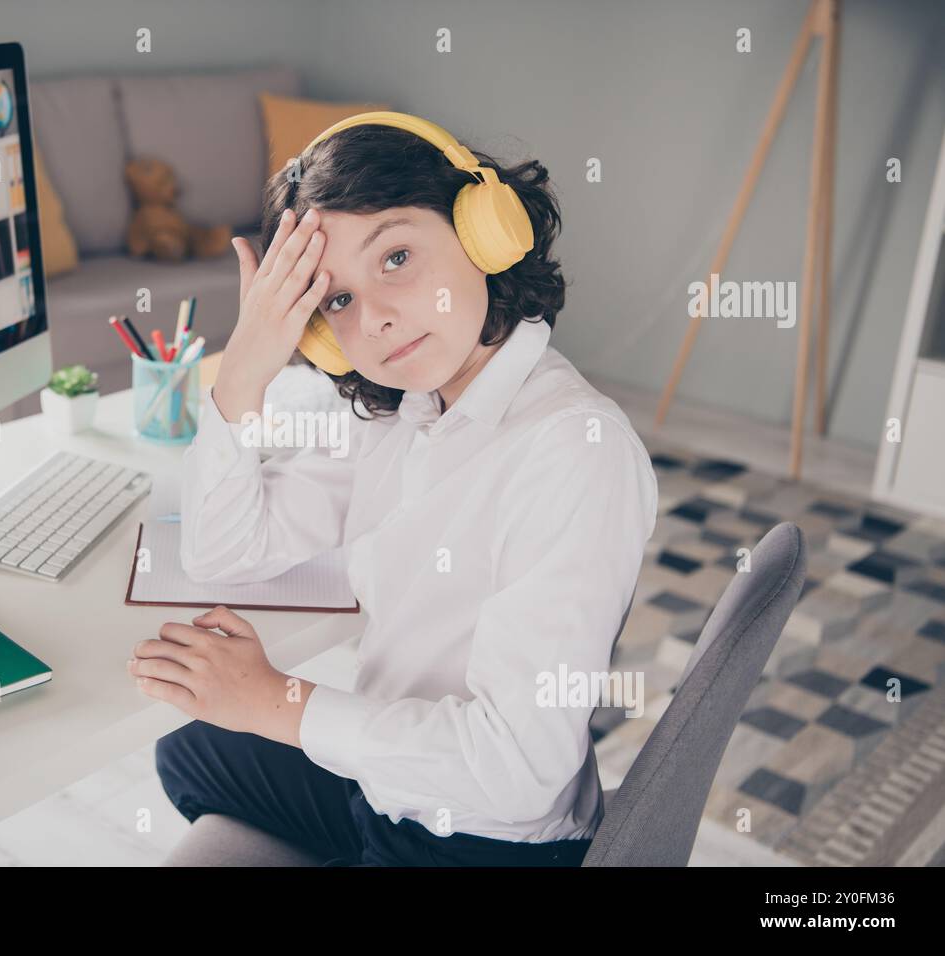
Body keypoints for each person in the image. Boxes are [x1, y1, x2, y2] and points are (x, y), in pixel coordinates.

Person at [129, 116, 659, 866]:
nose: (374, 316)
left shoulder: (573, 449)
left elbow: (516, 771)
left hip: (479, 838)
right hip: (390, 783)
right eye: (337, 301)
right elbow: (223, 550)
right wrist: (245, 371)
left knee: (240, 727)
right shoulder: (404, 405)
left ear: (487, 233)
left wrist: (277, 701)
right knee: (190, 750)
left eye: (397, 257)